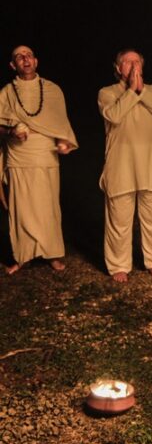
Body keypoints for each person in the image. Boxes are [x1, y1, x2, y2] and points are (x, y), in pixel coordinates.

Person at [0, 45, 78, 274]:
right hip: (19, 155)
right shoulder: (6, 92)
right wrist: (11, 131)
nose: (25, 59)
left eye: (29, 55)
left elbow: (60, 122)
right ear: (13, 65)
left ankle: (52, 254)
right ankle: (23, 255)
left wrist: (63, 141)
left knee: (48, 206)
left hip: (45, 153)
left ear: (36, 61)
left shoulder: (52, 90)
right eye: (19, 57)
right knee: (21, 208)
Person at [98, 49, 152, 282]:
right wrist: (131, 91)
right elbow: (114, 115)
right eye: (127, 62)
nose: (132, 65)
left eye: (136, 61)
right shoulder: (107, 93)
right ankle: (118, 265)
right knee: (119, 218)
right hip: (121, 163)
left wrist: (142, 91)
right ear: (118, 67)